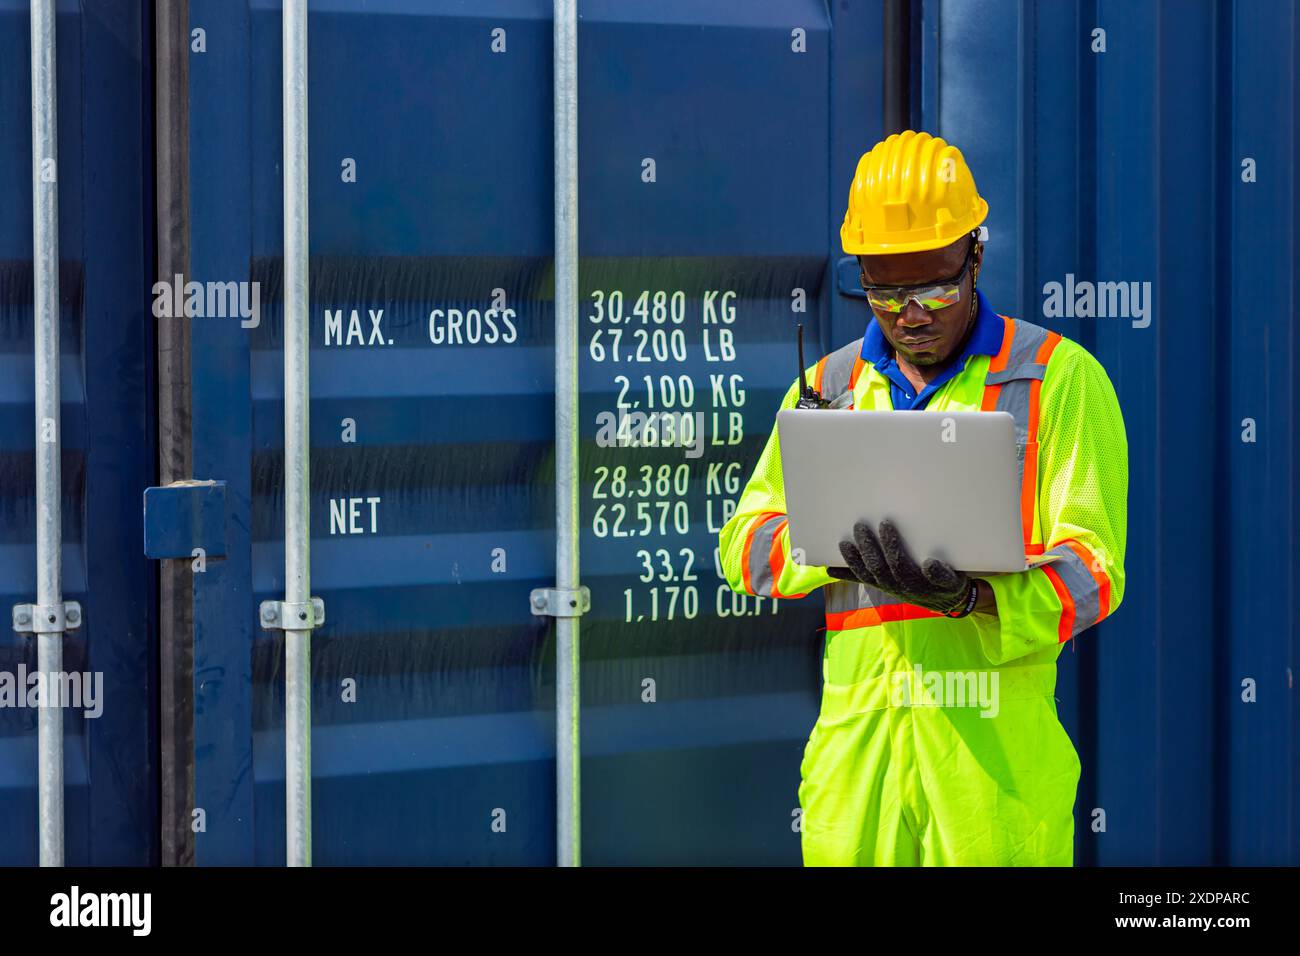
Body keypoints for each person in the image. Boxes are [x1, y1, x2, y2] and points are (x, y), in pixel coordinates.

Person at [719, 130, 1128, 866]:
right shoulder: (829, 391)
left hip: (992, 781)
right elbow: (742, 549)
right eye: (886, 291)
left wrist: (976, 597)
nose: (913, 313)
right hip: (857, 776)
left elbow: (1094, 572)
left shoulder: (1057, 381)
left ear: (975, 257)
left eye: (937, 287)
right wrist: (832, 547)